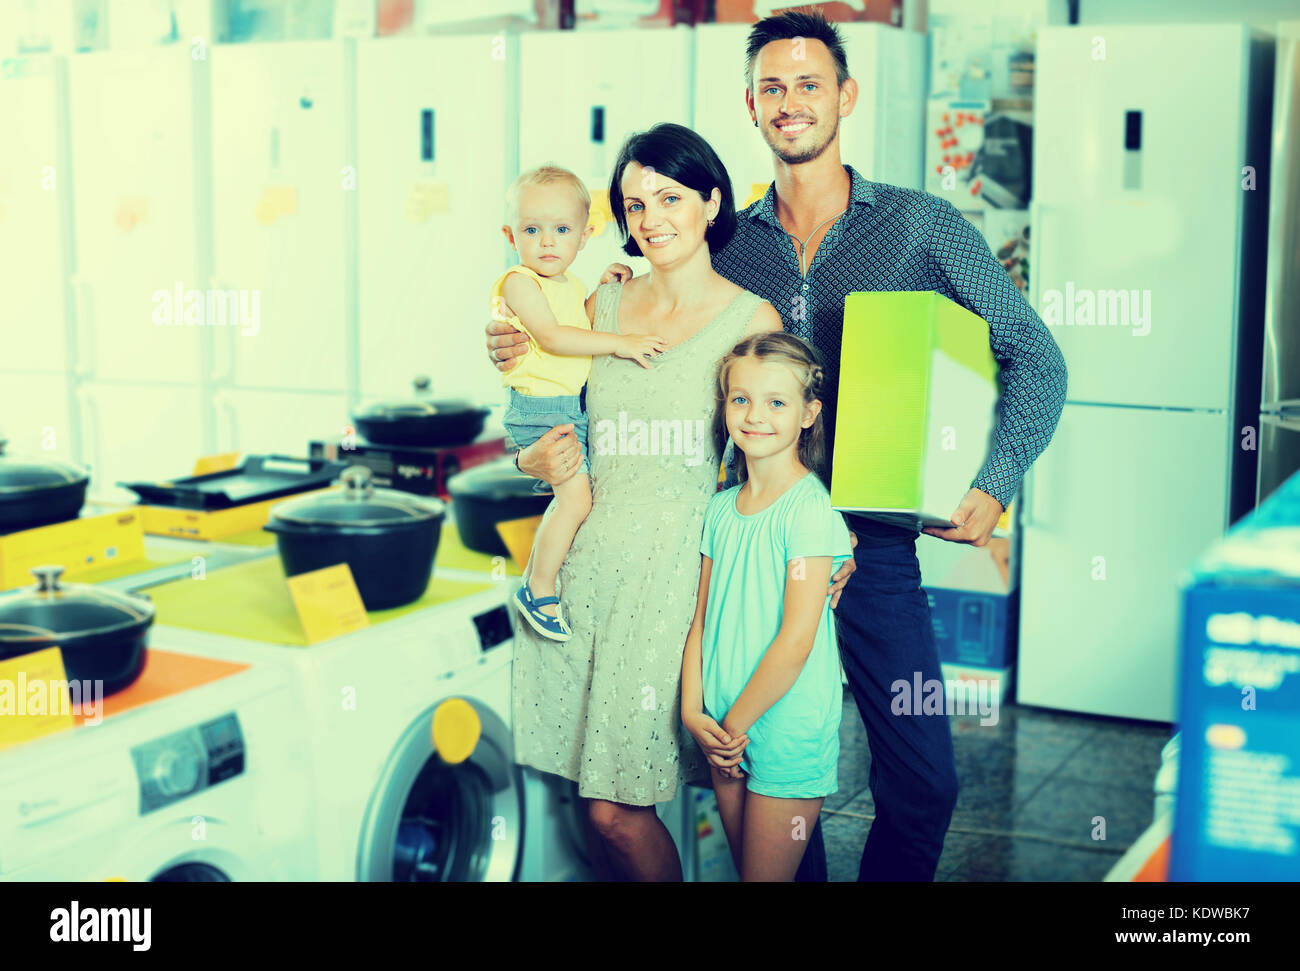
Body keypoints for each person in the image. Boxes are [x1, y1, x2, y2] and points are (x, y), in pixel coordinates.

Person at [490, 10, 1066, 882]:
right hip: (749, 538)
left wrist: (994, 479)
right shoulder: (728, 242)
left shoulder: (920, 227)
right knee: (758, 769)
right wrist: (525, 338)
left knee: (924, 782)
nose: (790, 101)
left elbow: (1035, 352)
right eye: (771, 88)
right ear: (751, 107)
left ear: (846, 96)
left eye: (808, 83)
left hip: (868, 540)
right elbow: (641, 319)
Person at [493, 123, 858, 882]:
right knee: (593, 803)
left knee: (615, 811)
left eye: (670, 197)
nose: (651, 217)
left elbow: (776, 438)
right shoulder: (602, 302)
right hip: (587, 573)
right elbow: (551, 414)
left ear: (711, 202)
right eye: (634, 203)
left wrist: (832, 538)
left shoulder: (751, 319)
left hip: (682, 582)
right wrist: (530, 457)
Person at [682, 332, 853, 881]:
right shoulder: (719, 508)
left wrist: (734, 725)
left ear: (809, 413)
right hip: (723, 728)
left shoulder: (810, 510)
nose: (755, 415)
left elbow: (797, 638)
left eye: (777, 402)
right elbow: (700, 618)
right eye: (741, 399)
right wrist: (694, 712)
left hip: (780, 729)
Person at [493, 165, 667, 640]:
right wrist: (620, 341)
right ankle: (538, 587)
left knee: (579, 500)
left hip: (567, 405)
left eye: (562, 230)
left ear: (585, 237)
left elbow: (574, 320)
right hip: (542, 407)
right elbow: (552, 335)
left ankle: (547, 580)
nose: (547, 242)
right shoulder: (519, 282)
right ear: (511, 235)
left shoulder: (566, 283)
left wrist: (603, 288)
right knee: (575, 499)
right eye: (532, 230)